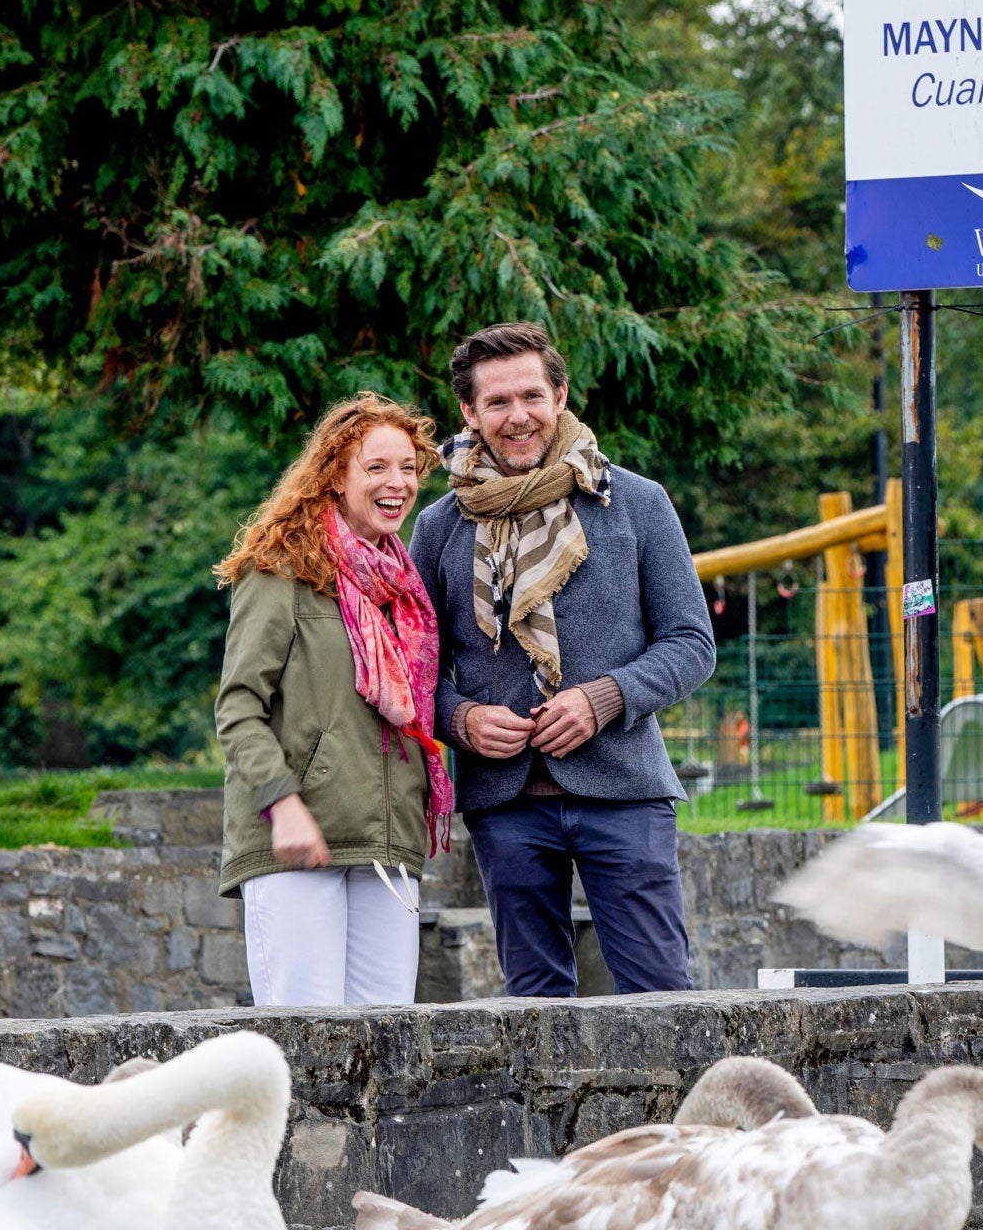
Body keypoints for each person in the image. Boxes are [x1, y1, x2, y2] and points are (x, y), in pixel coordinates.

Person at [411, 321, 715, 996]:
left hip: (626, 790)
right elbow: (412, 669)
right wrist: (460, 721)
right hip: (504, 798)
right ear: (470, 412)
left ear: (560, 395)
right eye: (497, 402)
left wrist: (602, 698)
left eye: (530, 396)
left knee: (660, 995)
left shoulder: (637, 502)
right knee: (534, 1007)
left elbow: (692, 643)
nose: (517, 416)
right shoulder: (437, 527)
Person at [213, 394, 452, 1007]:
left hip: (386, 846)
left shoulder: (405, 587)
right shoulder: (280, 570)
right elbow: (238, 708)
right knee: (305, 1048)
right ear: (335, 477)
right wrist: (283, 804)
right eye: (376, 467)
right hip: (296, 842)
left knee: (385, 1051)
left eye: (408, 467)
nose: (397, 482)